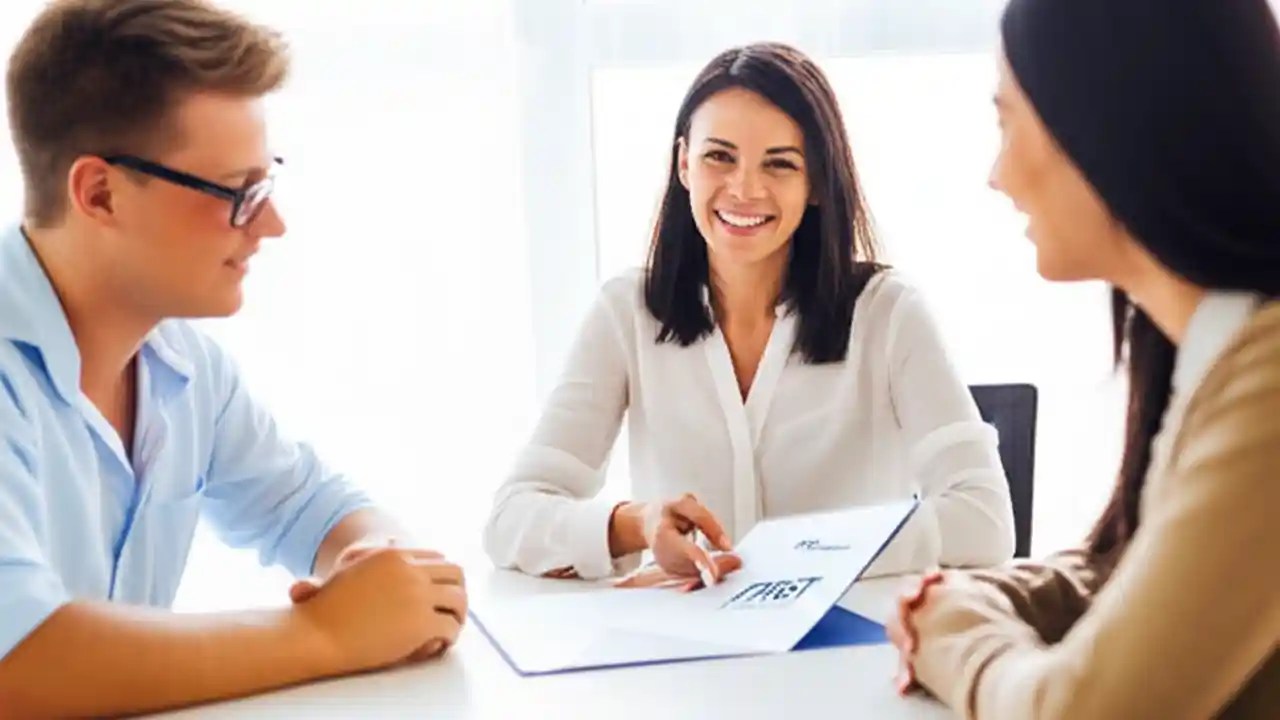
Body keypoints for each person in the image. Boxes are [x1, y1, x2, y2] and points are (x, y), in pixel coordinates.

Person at [0, 1, 466, 716]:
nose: (272, 224)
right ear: (100, 193)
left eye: (266, 184)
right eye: (237, 193)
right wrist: (327, 632)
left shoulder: (182, 363)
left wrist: (393, 575)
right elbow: (20, 660)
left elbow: (311, 507)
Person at [484, 42, 1016, 588]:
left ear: (816, 185)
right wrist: (637, 525)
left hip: (846, 655)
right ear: (683, 164)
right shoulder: (627, 311)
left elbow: (985, 519)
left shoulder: (887, 311)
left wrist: (797, 555)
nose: (745, 189)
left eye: (780, 164)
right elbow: (511, 519)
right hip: (686, 654)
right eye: (720, 156)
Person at [888, 1, 1280, 717]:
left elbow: (1084, 712)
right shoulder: (1216, 354)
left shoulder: (1269, 385)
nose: (996, 175)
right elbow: (1128, 568)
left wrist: (949, 634)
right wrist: (969, 596)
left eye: (1007, 123)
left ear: (1108, 127)